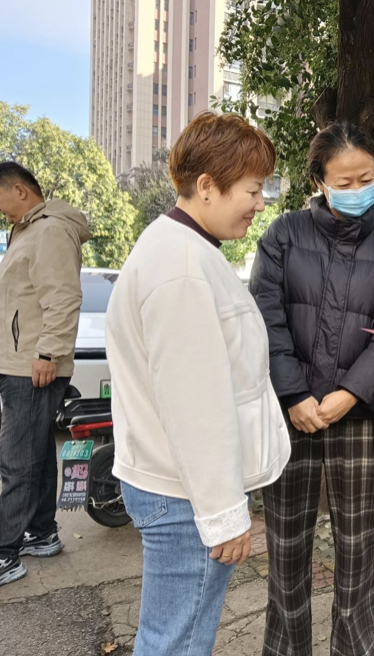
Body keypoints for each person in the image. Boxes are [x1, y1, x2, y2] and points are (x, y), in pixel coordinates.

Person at [105, 112, 291, 655]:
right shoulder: (182, 268)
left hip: (175, 484)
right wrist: (224, 516)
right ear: (207, 186)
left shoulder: (179, 248)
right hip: (186, 496)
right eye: (254, 190)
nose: (261, 204)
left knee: (172, 636)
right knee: (177, 642)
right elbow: (196, 405)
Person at [251, 122, 374, 656]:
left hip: (362, 417)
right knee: (287, 546)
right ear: (320, 181)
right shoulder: (282, 235)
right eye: (343, 181)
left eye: (366, 177)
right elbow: (265, 319)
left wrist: (349, 392)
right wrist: (294, 395)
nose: (358, 189)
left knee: (356, 550)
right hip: (290, 415)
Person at [0, 162, 91, 587]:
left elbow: (64, 297)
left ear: (19, 191)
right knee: (33, 453)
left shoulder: (49, 229)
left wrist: (47, 352)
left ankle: (4, 552)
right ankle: (42, 532)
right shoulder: (27, 229)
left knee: (16, 459)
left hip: (31, 364)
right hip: (22, 361)